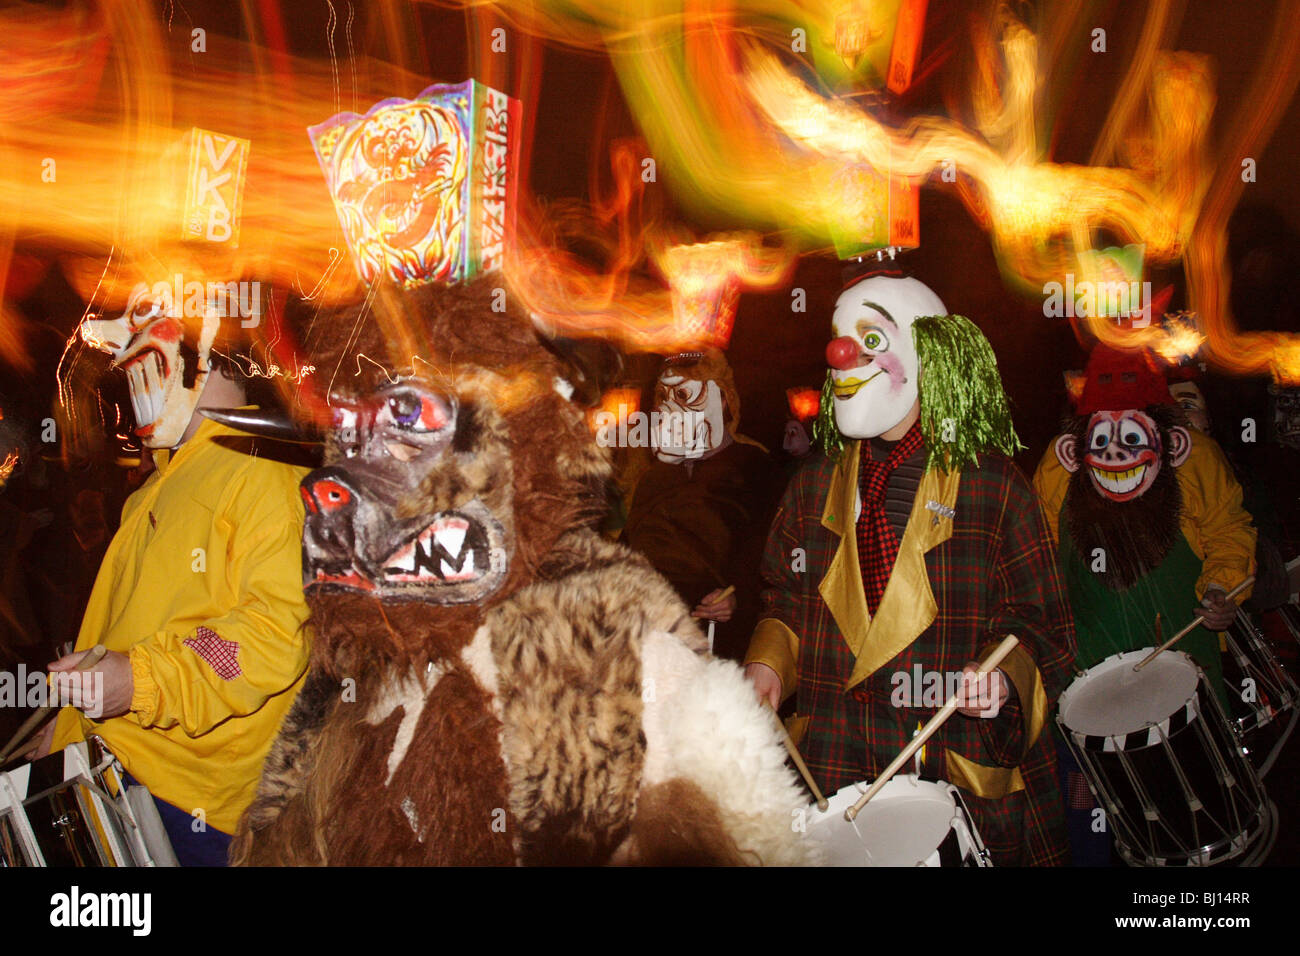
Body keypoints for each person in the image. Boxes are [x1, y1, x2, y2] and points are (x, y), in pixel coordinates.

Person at [744, 271, 1076, 865]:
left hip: (947, 783)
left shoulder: (995, 486)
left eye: (870, 339)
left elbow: (1045, 627)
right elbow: (786, 599)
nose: (840, 353)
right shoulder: (813, 483)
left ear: (932, 357)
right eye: (839, 335)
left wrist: (1003, 679)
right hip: (835, 769)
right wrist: (768, 663)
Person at [27, 284, 311, 866]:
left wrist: (141, 682)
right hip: (116, 765)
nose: (131, 384)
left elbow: (269, 639)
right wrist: (64, 730)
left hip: (188, 800)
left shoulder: (260, 470)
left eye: (143, 362)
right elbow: (129, 634)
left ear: (202, 353)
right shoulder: (165, 480)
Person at [1032, 344, 1256, 864]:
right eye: (1100, 434)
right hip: (1085, 682)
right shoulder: (1056, 464)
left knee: (1194, 823)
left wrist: (1224, 591)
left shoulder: (1197, 456)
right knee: (1091, 829)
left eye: (1131, 434)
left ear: (1168, 438)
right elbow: (1036, 553)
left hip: (1186, 675)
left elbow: (1230, 530)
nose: (1114, 455)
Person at [622, 350, 773, 661]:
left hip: (718, 640)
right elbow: (628, 548)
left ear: (722, 399)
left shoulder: (755, 468)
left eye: (682, 394)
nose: (670, 408)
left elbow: (771, 556)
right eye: (663, 396)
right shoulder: (654, 476)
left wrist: (739, 599)